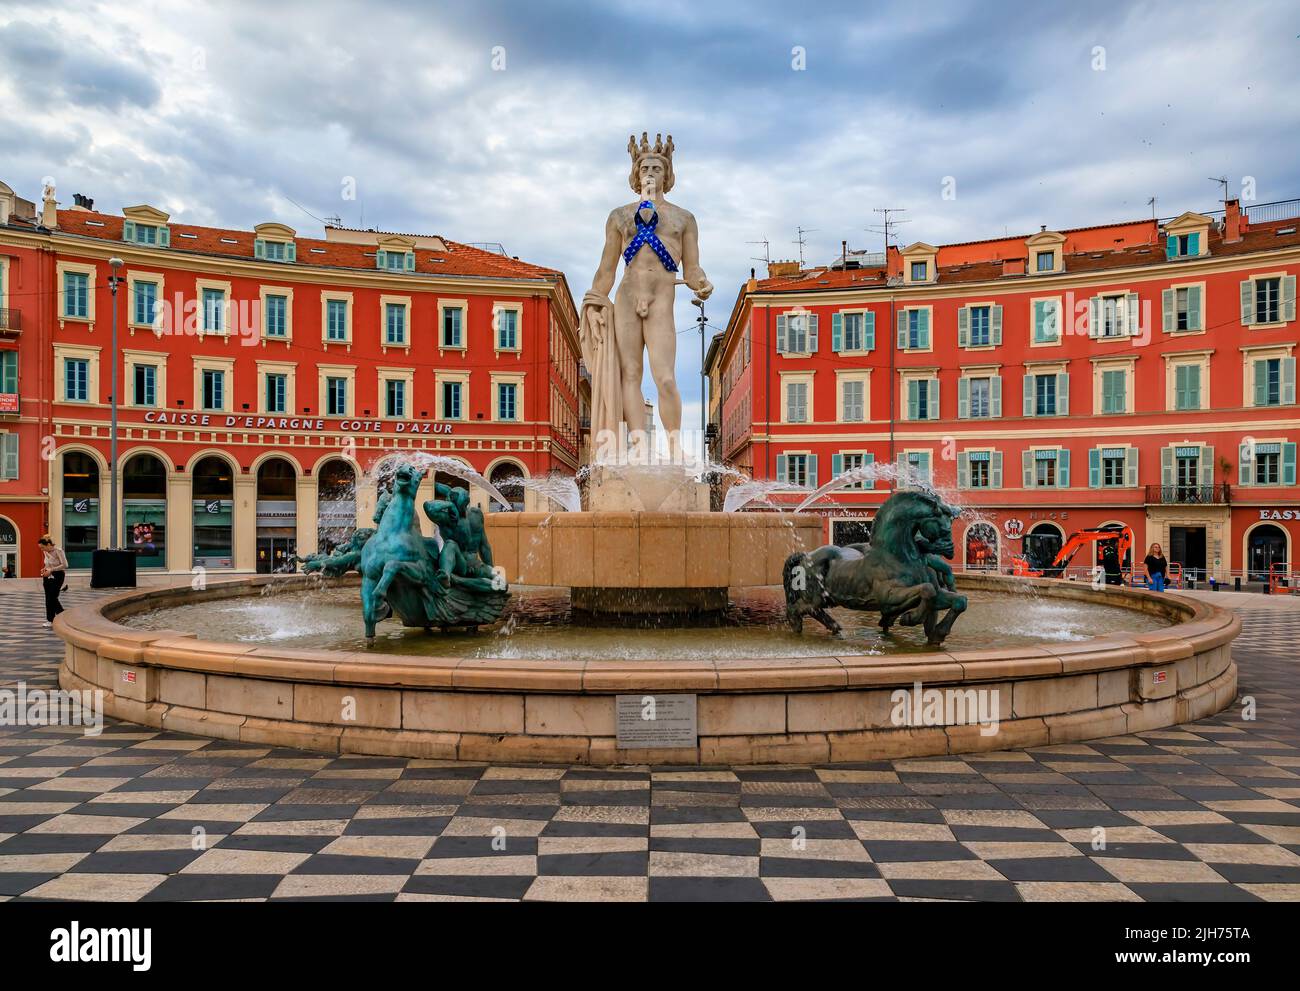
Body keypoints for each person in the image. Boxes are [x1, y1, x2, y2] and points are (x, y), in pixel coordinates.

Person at [38, 535, 69, 627]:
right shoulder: (45, 552)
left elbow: (65, 565)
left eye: (42, 547)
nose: (42, 549)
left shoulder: (58, 551)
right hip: (47, 576)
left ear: (48, 544)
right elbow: (48, 564)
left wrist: (51, 570)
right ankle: (52, 619)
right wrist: (44, 569)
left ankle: (60, 616)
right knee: (48, 598)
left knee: (52, 597)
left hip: (58, 575)